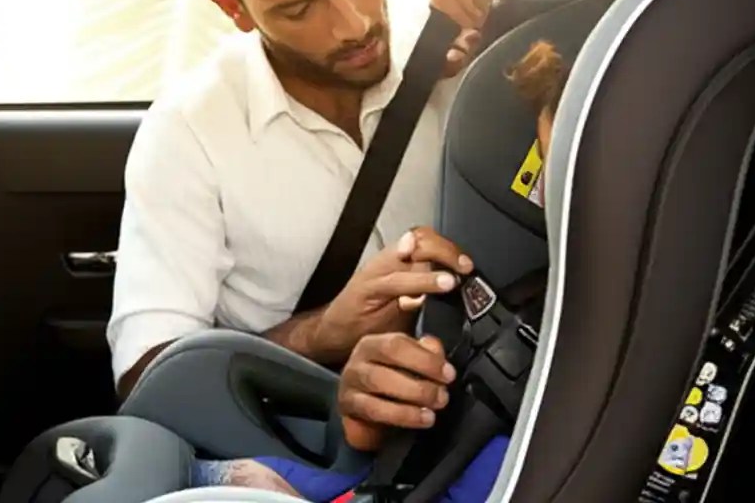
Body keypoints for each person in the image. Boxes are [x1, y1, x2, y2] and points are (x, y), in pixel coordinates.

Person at [107, 0, 541, 401]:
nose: (353, 24)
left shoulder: (465, 51)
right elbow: (148, 380)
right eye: (300, 9)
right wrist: (320, 336)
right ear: (234, 9)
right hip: (312, 436)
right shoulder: (191, 132)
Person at [184, 40, 574, 501]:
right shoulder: (531, 313)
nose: (552, 200)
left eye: (581, 174)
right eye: (550, 172)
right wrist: (371, 429)